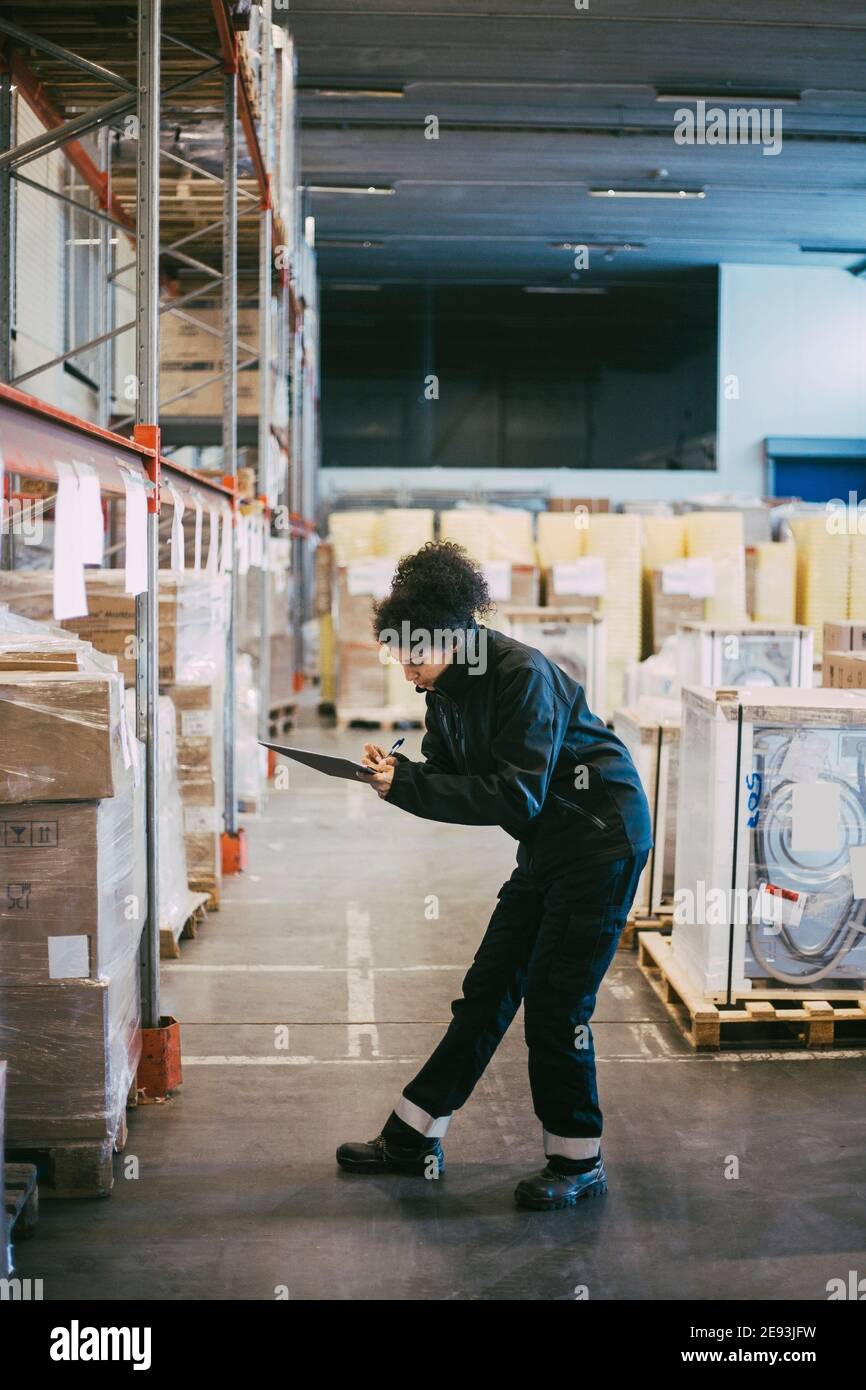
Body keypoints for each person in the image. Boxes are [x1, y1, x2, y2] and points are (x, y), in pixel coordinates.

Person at [336, 541, 652, 1210]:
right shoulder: (446, 690)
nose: (406, 671)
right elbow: (453, 773)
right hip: (547, 846)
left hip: (601, 842)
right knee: (487, 991)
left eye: (412, 657)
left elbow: (515, 796)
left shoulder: (520, 675)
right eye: (397, 655)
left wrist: (408, 790)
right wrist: (399, 776)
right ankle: (412, 1138)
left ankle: (577, 1162)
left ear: (451, 637)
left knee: (558, 1003)